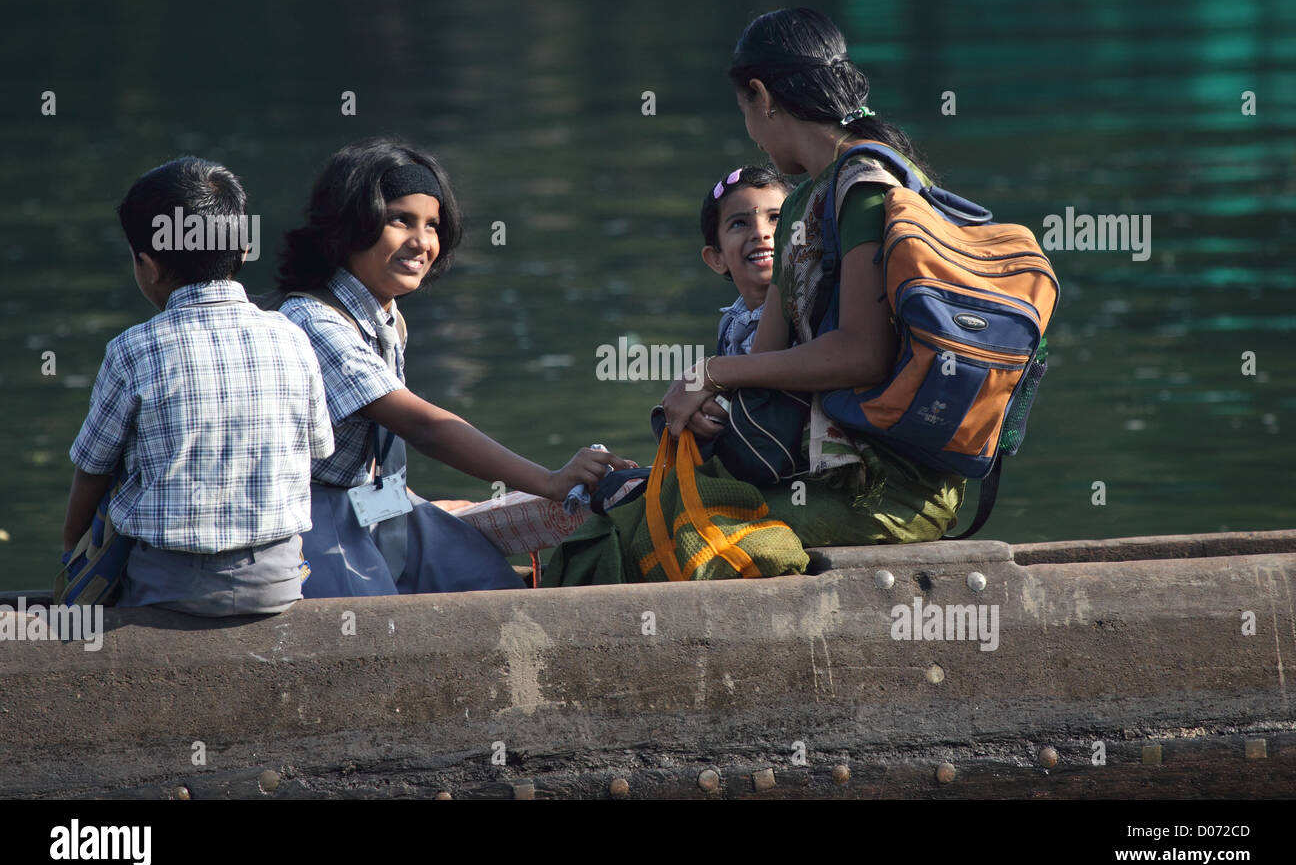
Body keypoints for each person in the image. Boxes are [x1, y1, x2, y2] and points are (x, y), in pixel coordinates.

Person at [660, 8, 966, 546]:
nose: (752, 136)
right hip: (815, 474)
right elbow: (765, 368)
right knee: (646, 503)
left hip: (888, 490)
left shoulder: (867, 188)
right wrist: (713, 399)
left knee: (680, 534)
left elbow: (862, 354)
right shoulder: (802, 201)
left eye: (744, 111)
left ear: (762, 95)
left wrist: (714, 371)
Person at [276, 138, 632, 597]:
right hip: (313, 508)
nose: (422, 242)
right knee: (372, 628)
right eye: (399, 220)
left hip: (373, 499)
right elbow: (426, 428)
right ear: (348, 225)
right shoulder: (313, 321)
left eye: (432, 225)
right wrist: (549, 482)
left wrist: (419, 506)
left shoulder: (384, 319)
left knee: (493, 587)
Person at [64, 157, 334, 615]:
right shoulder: (292, 336)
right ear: (244, 249)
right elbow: (317, 450)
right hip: (278, 582)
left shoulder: (134, 349)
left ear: (147, 265)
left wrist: (73, 553)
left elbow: (92, 469)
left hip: (171, 587)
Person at [698, 165, 791, 357]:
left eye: (775, 217)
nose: (760, 233)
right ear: (717, 258)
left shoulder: (812, 314)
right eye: (739, 223)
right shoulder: (730, 324)